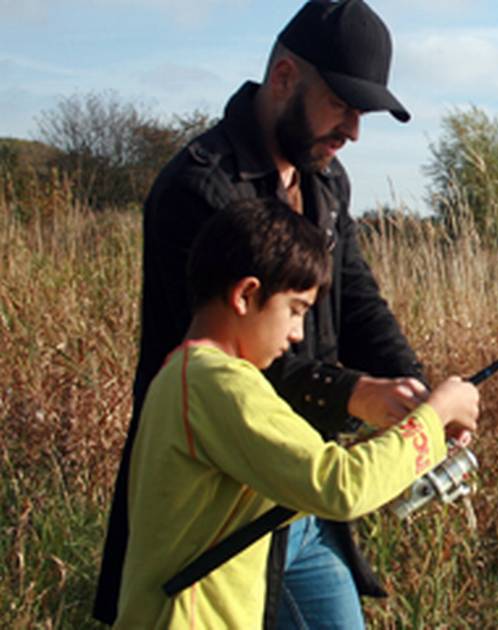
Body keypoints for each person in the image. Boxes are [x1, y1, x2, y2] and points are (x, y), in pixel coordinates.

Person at [94, 1, 440, 627]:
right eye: (341, 104)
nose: (353, 131)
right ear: (284, 77)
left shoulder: (327, 183)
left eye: (362, 113)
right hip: (221, 503)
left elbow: (359, 302)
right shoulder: (198, 188)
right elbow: (225, 360)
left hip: (299, 502)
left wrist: (418, 391)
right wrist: (359, 394)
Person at [113, 199, 480, 628]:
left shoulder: (185, 373)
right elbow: (340, 486)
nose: (296, 334)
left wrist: (388, 435)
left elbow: (301, 469)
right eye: (295, 310)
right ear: (246, 294)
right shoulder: (221, 384)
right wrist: (434, 418)